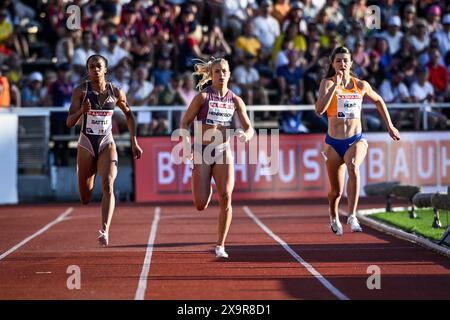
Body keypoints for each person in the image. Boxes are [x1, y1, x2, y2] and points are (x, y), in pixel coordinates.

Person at [315, 46, 400, 236]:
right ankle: (333, 214)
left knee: (353, 166)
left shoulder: (360, 85)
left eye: (345, 60)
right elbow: (319, 110)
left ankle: (352, 215)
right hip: (333, 143)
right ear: (333, 64)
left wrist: (390, 125)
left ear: (351, 63)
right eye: (338, 61)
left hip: (356, 139)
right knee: (336, 192)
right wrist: (335, 87)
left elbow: (378, 101)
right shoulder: (327, 84)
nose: (342, 64)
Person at [180, 58, 254, 258]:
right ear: (211, 75)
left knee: (227, 197)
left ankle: (220, 245)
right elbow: (184, 123)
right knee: (200, 204)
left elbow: (249, 127)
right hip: (202, 151)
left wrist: (245, 136)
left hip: (223, 150)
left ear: (229, 74)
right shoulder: (202, 97)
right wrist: (186, 145)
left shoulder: (236, 100)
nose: (221, 75)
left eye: (224, 71)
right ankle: (207, 185)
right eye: (217, 72)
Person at [66, 54, 143, 246]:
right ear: (87, 70)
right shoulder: (80, 92)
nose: (95, 70)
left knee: (108, 184)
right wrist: (81, 112)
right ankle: (86, 182)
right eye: (91, 67)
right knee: (85, 197)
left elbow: (129, 115)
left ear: (106, 69)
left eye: (98, 66)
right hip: (86, 143)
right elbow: (69, 122)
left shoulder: (115, 91)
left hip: (106, 143)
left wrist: (134, 141)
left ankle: (105, 230)